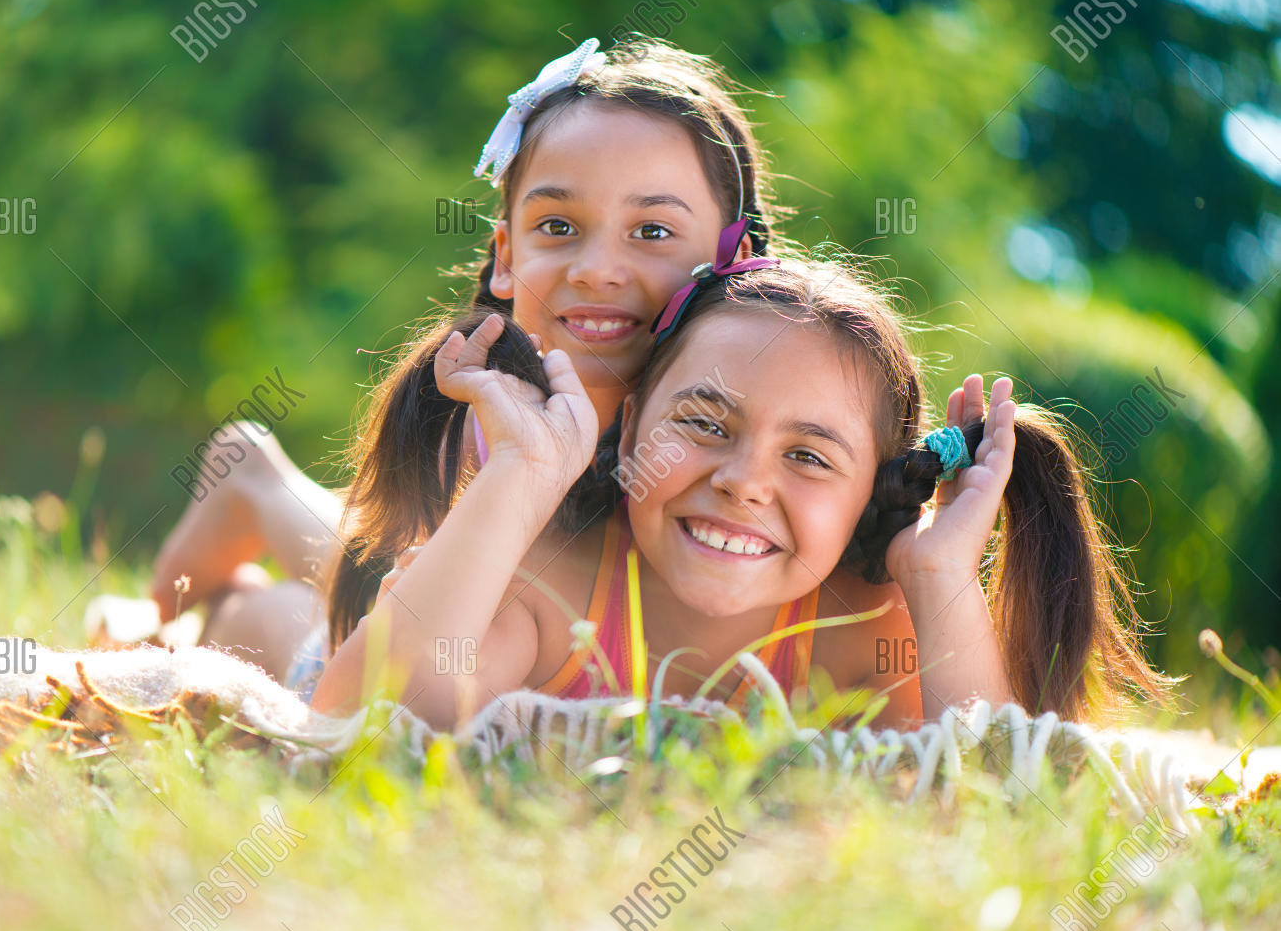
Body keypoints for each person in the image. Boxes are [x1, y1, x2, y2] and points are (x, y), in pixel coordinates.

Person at [311, 248, 1174, 727]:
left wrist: (943, 577)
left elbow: (994, 800)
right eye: (705, 423)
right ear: (632, 423)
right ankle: (264, 488)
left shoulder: (865, 634)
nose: (743, 483)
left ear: (873, 491)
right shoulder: (549, 587)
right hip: (336, 635)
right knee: (281, 612)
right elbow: (353, 725)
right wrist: (519, 475)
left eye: (810, 457)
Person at [146, 36, 784, 681]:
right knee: (269, 623)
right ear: (507, 257)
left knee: (300, 585)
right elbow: (401, 656)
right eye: (558, 226)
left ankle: (254, 478)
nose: (596, 270)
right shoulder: (488, 418)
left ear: (736, 258)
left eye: (652, 231)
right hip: (389, 653)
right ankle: (200, 557)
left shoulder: (778, 416)